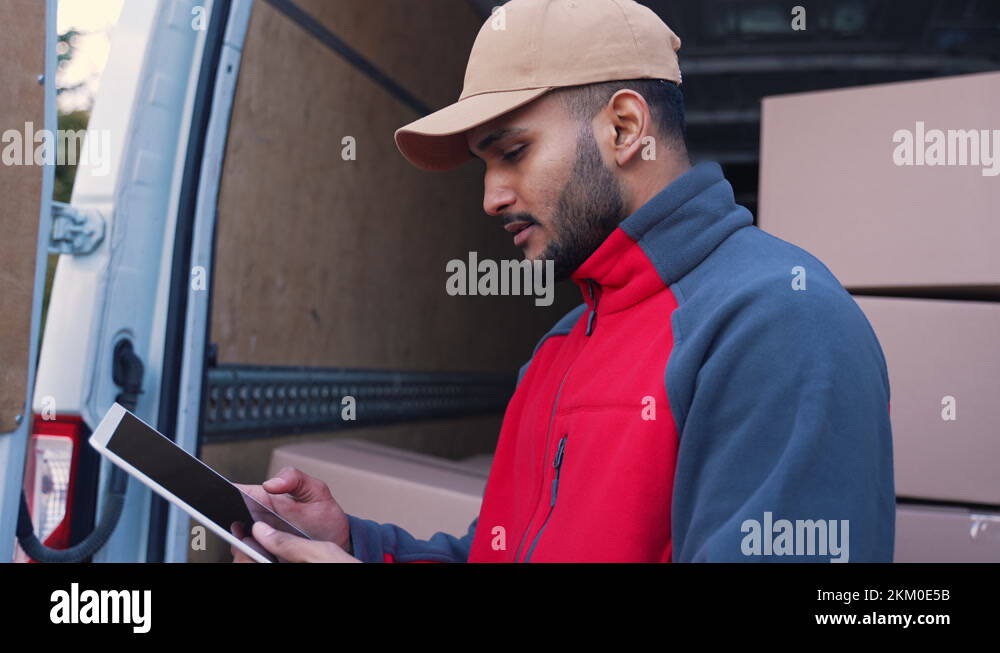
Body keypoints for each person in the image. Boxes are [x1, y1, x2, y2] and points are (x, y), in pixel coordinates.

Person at [232, 0, 894, 563]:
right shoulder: (557, 350)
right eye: (484, 164)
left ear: (624, 127)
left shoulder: (780, 324)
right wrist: (356, 543)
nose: (491, 197)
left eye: (513, 152)